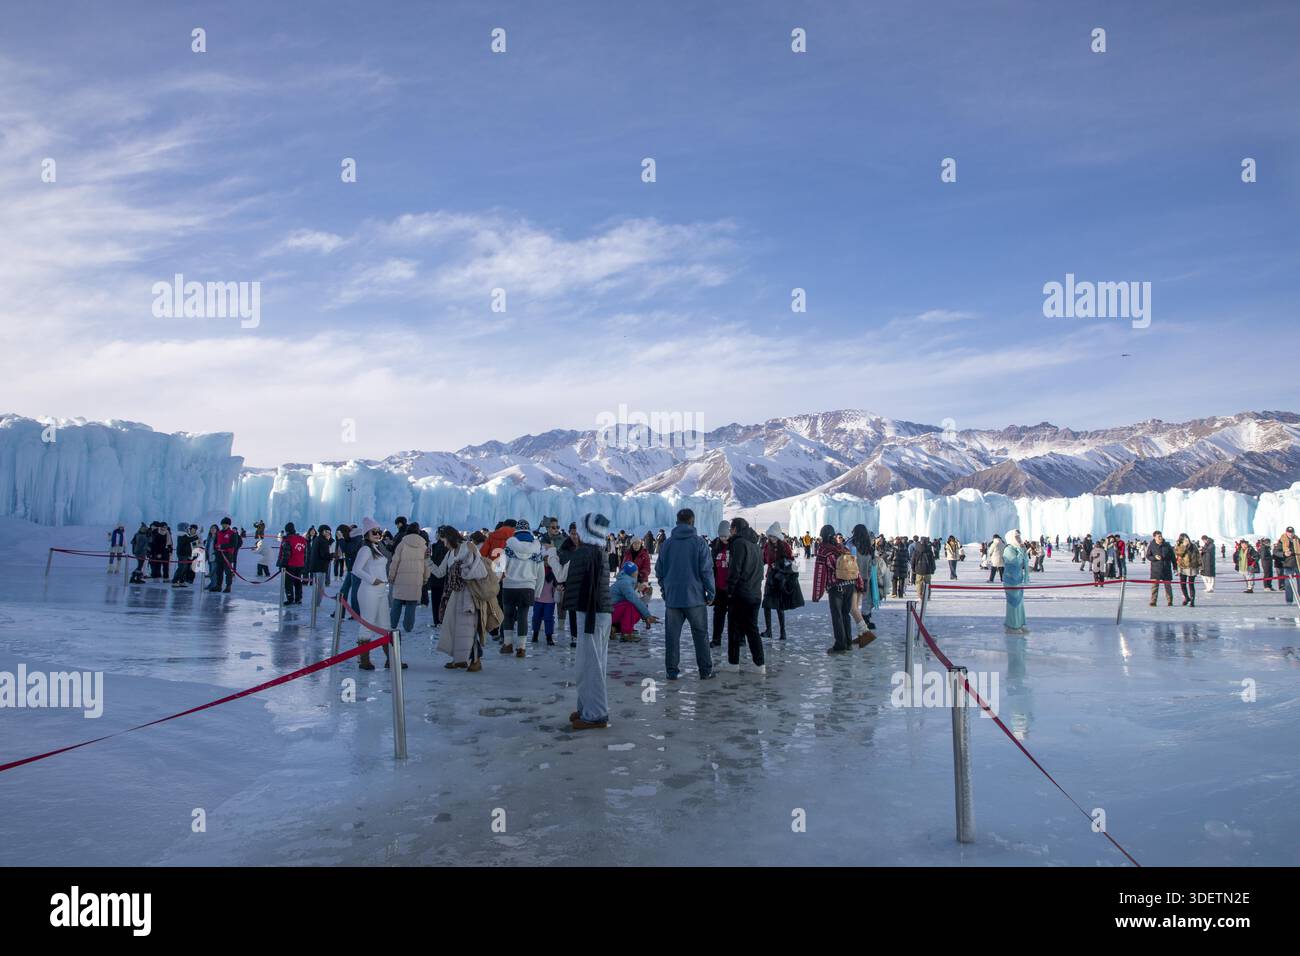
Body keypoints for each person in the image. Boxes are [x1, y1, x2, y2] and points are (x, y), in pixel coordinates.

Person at [564, 513, 617, 728]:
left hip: (591, 614)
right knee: (591, 663)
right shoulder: (598, 552)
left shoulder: (587, 554)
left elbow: (565, 572)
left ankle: (595, 714)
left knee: (590, 665)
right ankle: (586, 708)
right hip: (596, 613)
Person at [653, 508, 716, 682]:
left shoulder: (667, 544)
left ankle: (671, 671)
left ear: (677, 521)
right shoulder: (699, 543)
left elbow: (659, 571)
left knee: (672, 637)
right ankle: (705, 671)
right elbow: (706, 570)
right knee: (700, 635)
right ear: (692, 521)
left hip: (673, 599)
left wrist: (665, 590)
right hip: (695, 598)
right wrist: (711, 592)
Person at [433, 527, 490, 672]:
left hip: (469, 594)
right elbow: (440, 573)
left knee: (468, 629)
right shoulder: (451, 553)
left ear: (450, 537)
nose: (444, 544)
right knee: (454, 628)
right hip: (455, 593)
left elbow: (480, 571)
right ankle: (459, 659)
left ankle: (476, 660)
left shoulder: (468, 547)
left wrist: (464, 571)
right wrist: (427, 560)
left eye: (444, 540)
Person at [811, 524, 867, 654]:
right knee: (845, 614)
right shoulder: (842, 548)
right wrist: (859, 584)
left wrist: (816, 594)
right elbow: (855, 568)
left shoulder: (824, 551)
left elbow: (820, 573)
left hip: (836, 588)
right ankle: (848, 643)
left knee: (837, 616)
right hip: (850, 585)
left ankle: (840, 644)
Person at [723, 518, 766, 673]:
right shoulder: (755, 544)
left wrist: (730, 591)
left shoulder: (739, 543)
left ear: (735, 529)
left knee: (734, 627)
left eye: (731, 529)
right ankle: (759, 664)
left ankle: (733, 663)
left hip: (741, 593)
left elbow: (736, 569)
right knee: (751, 628)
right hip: (755, 592)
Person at [499, 520, 543, 657]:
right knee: (523, 616)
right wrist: (538, 591)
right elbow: (541, 573)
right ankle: (522, 648)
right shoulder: (536, 550)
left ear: (516, 531)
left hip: (509, 586)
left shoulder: (508, 548)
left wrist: (495, 581)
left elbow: (498, 568)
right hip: (528, 587)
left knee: (508, 615)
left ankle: (507, 644)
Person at [350, 521, 389, 671]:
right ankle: (364, 659)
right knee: (367, 623)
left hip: (380, 589)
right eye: (374, 532)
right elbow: (356, 569)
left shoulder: (376, 548)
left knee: (385, 624)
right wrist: (373, 580)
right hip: (369, 590)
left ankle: (390, 658)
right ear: (366, 534)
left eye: (379, 532)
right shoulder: (365, 549)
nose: (378, 534)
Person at [762, 522, 805, 639]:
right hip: (771, 577)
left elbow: (790, 560)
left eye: (774, 536)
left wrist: (780, 565)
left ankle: (782, 632)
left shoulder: (785, 546)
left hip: (781, 578)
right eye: (770, 536)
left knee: (779, 606)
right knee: (766, 604)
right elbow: (763, 560)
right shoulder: (767, 546)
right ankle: (768, 630)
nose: (772, 538)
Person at [611, 561, 658, 640]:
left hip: (611, 613)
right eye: (636, 570)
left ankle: (614, 628)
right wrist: (647, 616)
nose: (637, 572)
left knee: (635, 609)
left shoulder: (626, 581)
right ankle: (626, 633)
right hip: (609, 614)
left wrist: (645, 616)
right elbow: (635, 600)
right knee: (631, 605)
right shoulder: (625, 583)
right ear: (633, 573)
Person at [531, 535, 561, 646]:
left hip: (549, 599)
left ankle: (549, 636)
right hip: (538, 598)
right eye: (544, 560)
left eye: (547, 560)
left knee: (549, 618)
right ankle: (535, 634)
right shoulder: (537, 570)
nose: (546, 562)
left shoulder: (553, 572)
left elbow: (558, 582)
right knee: (536, 617)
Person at [1003, 528, 1030, 633]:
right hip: (1010, 580)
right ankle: (1012, 626)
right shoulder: (1008, 549)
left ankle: (1020, 624)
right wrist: (1021, 552)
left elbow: (1025, 561)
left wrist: (1023, 551)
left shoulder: (1017, 548)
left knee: (1020, 603)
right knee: (1013, 603)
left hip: (1018, 579)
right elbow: (1014, 561)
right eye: (1016, 537)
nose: (1019, 539)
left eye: (1019, 537)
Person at [709, 520, 730, 648]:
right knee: (718, 614)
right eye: (721, 536)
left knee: (735, 615)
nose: (723, 539)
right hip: (719, 587)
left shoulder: (735, 546)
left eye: (726, 536)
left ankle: (739, 638)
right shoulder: (716, 547)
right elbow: (711, 566)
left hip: (732, 587)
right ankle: (716, 639)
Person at [278, 522, 309, 605]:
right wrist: (304, 564)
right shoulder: (302, 539)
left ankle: (290, 598)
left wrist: (282, 565)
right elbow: (305, 553)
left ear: (287, 530)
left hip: (290, 565)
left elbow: (286, 555)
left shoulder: (288, 540)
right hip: (300, 564)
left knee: (288, 583)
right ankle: (298, 599)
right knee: (298, 582)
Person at [1147, 530, 1175, 607]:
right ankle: (1153, 601)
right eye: (1158, 536)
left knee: (1168, 587)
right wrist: (1154, 558)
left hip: (1166, 569)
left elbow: (1173, 557)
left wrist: (1175, 567)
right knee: (1154, 587)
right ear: (1155, 537)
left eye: (1161, 536)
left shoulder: (1167, 545)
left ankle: (1170, 601)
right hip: (1156, 570)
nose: (1160, 537)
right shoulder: (1152, 545)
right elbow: (1148, 556)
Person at [1175, 533, 1200, 607]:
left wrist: (1200, 566)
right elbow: (1179, 554)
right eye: (1184, 539)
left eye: (1187, 538)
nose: (1186, 540)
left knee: (1191, 584)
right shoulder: (1179, 546)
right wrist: (1184, 546)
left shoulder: (1193, 546)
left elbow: (1198, 556)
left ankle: (1192, 600)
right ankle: (1186, 598)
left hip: (1192, 567)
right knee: (1183, 584)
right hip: (1183, 567)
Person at [911, 535, 936, 603]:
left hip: (918, 569)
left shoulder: (916, 550)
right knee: (927, 583)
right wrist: (933, 569)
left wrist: (913, 568)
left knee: (919, 583)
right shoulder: (929, 550)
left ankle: (920, 596)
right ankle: (927, 596)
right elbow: (932, 561)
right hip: (927, 569)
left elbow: (913, 560)